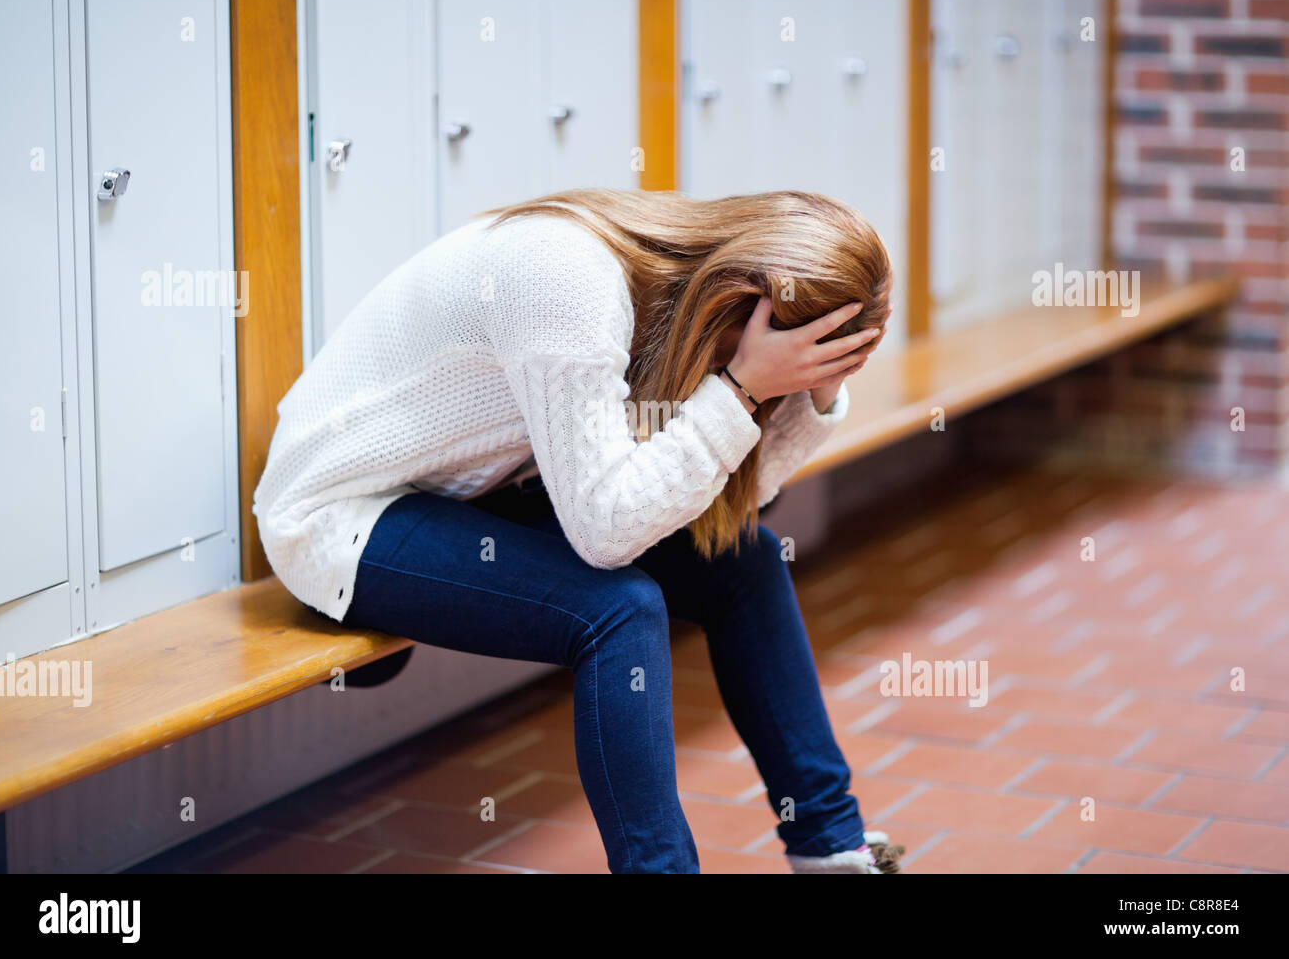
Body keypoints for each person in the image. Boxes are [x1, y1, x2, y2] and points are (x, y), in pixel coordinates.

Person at [254, 188, 904, 874]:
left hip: (476, 493)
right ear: (745, 304)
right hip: (342, 511)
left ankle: (832, 848)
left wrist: (813, 392)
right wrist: (742, 388)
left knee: (744, 558)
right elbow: (606, 533)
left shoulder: (670, 290)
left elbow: (740, 503)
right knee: (619, 610)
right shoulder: (566, 283)